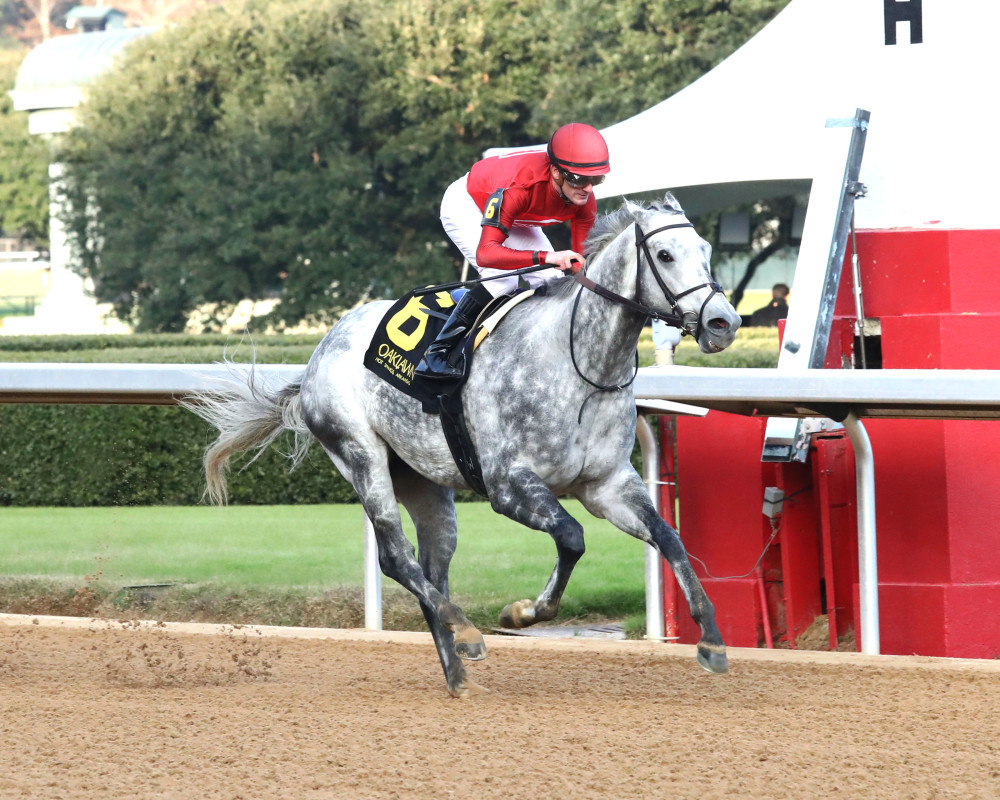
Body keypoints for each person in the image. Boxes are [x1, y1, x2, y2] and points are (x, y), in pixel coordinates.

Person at [415, 122, 611, 380]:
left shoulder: (584, 200)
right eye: (579, 179)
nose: (588, 188)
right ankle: (435, 355)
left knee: (552, 282)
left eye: (596, 179)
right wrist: (548, 257)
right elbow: (487, 253)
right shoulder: (520, 189)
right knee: (502, 282)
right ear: (555, 172)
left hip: (517, 217)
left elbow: (580, 267)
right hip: (469, 203)